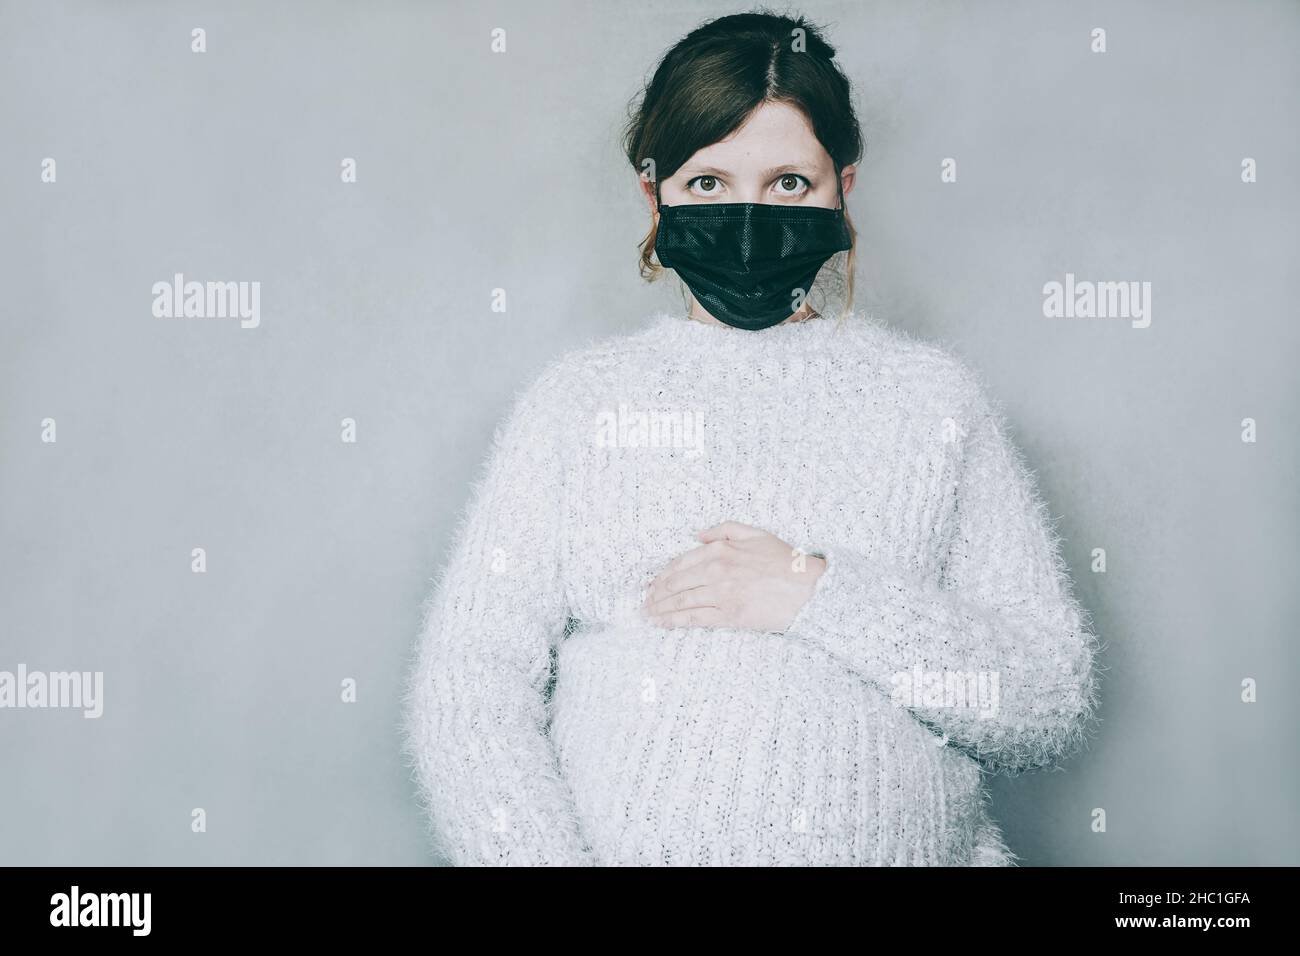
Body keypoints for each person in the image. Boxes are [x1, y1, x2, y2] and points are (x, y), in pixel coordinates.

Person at [402, 10, 1101, 866]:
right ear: (653, 193)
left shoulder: (932, 401)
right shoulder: (577, 406)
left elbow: (1044, 697)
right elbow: (470, 688)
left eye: (788, 183)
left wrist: (817, 596)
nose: (747, 214)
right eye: (708, 184)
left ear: (843, 185)